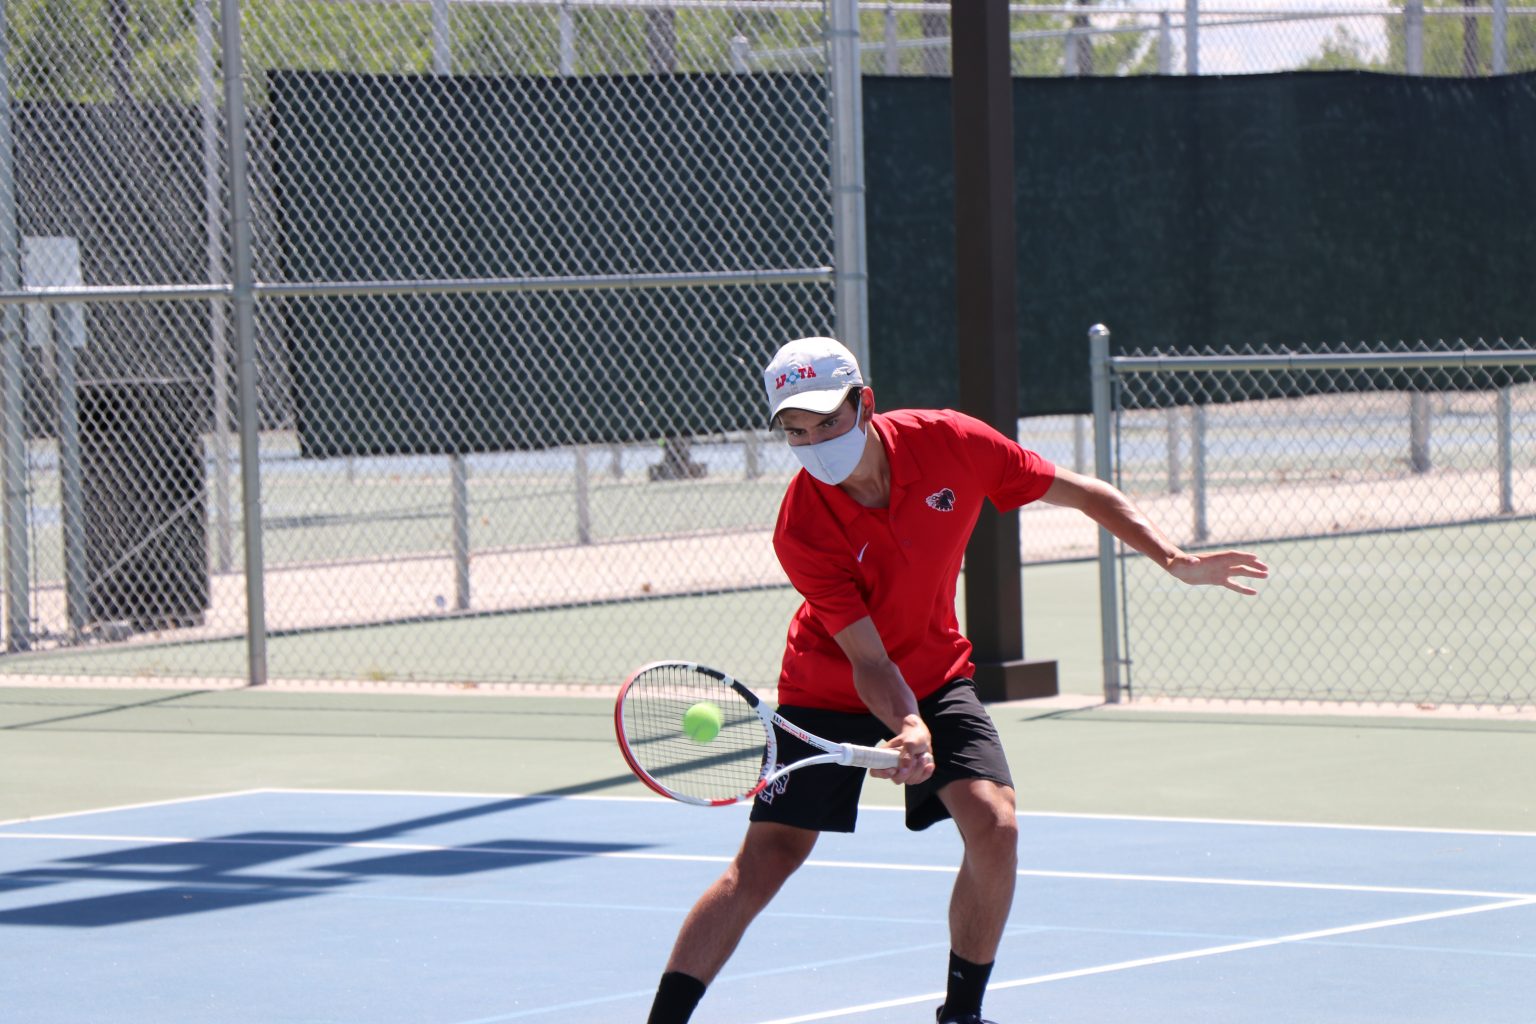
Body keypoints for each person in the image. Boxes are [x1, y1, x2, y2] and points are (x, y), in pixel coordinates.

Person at [645, 337, 1267, 1024]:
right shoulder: (801, 525)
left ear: (865, 403)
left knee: (995, 826)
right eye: (796, 431)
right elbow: (869, 661)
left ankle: (961, 1016)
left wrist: (1172, 558)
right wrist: (905, 727)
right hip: (828, 685)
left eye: (828, 422)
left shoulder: (951, 443)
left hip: (936, 671)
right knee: (768, 860)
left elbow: (1083, 493)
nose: (816, 443)